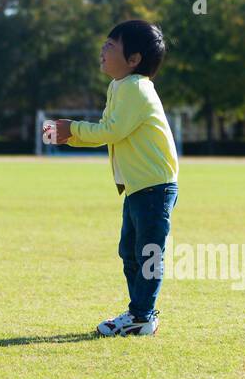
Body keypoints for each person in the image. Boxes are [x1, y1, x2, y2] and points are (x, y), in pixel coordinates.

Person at [51, 20, 179, 337]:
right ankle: (139, 312)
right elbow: (109, 131)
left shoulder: (136, 87)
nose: (103, 49)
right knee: (130, 251)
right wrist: (69, 137)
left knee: (148, 253)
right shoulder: (119, 86)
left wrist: (72, 130)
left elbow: (111, 131)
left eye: (111, 45)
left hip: (154, 186)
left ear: (134, 59)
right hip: (139, 187)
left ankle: (142, 316)